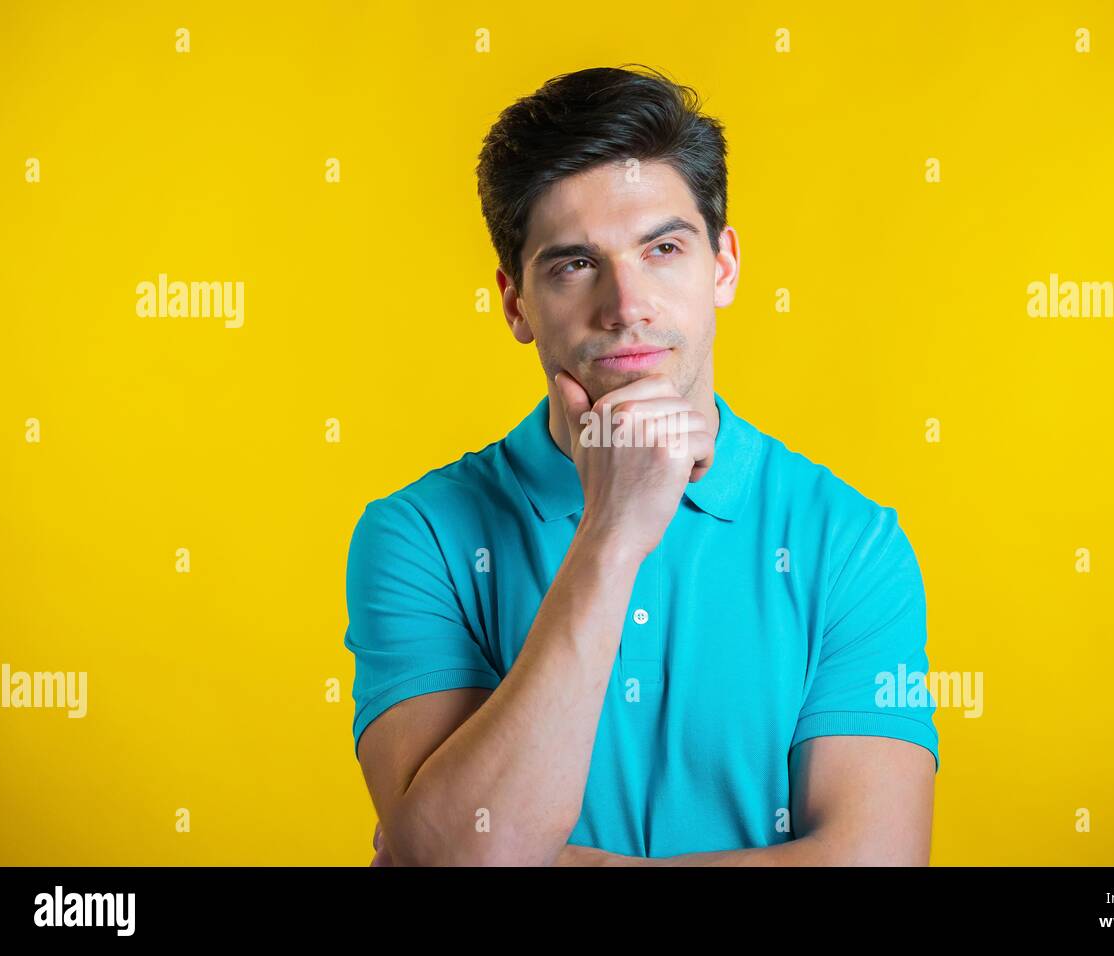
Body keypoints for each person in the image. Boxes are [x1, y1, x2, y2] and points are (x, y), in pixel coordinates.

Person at [345, 64, 939, 866]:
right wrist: (612, 535)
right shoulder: (419, 536)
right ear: (516, 304)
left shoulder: (850, 543)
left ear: (723, 265)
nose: (627, 305)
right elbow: (462, 859)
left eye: (663, 248)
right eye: (574, 264)